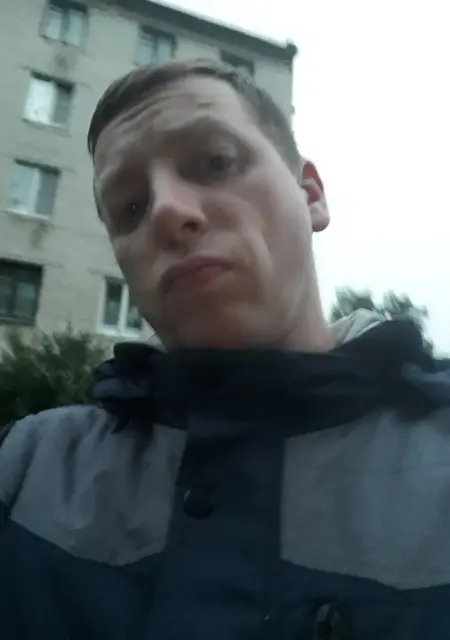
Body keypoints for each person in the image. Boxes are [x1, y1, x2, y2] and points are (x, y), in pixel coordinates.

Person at [0, 59, 449, 640]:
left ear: (310, 194)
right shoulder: (26, 469)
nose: (166, 211)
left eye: (215, 163)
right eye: (130, 207)